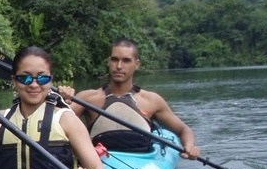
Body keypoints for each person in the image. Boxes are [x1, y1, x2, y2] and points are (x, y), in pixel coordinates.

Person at [69, 39, 201, 158]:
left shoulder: (151, 100)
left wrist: (189, 146)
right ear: (109, 62)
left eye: (126, 60)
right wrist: (63, 100)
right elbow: (56, 122)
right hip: (101, 159)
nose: (119, 66)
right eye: (115, 59)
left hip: (141, 160)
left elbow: (183, 130)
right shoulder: (87, 98)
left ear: (137, 64)